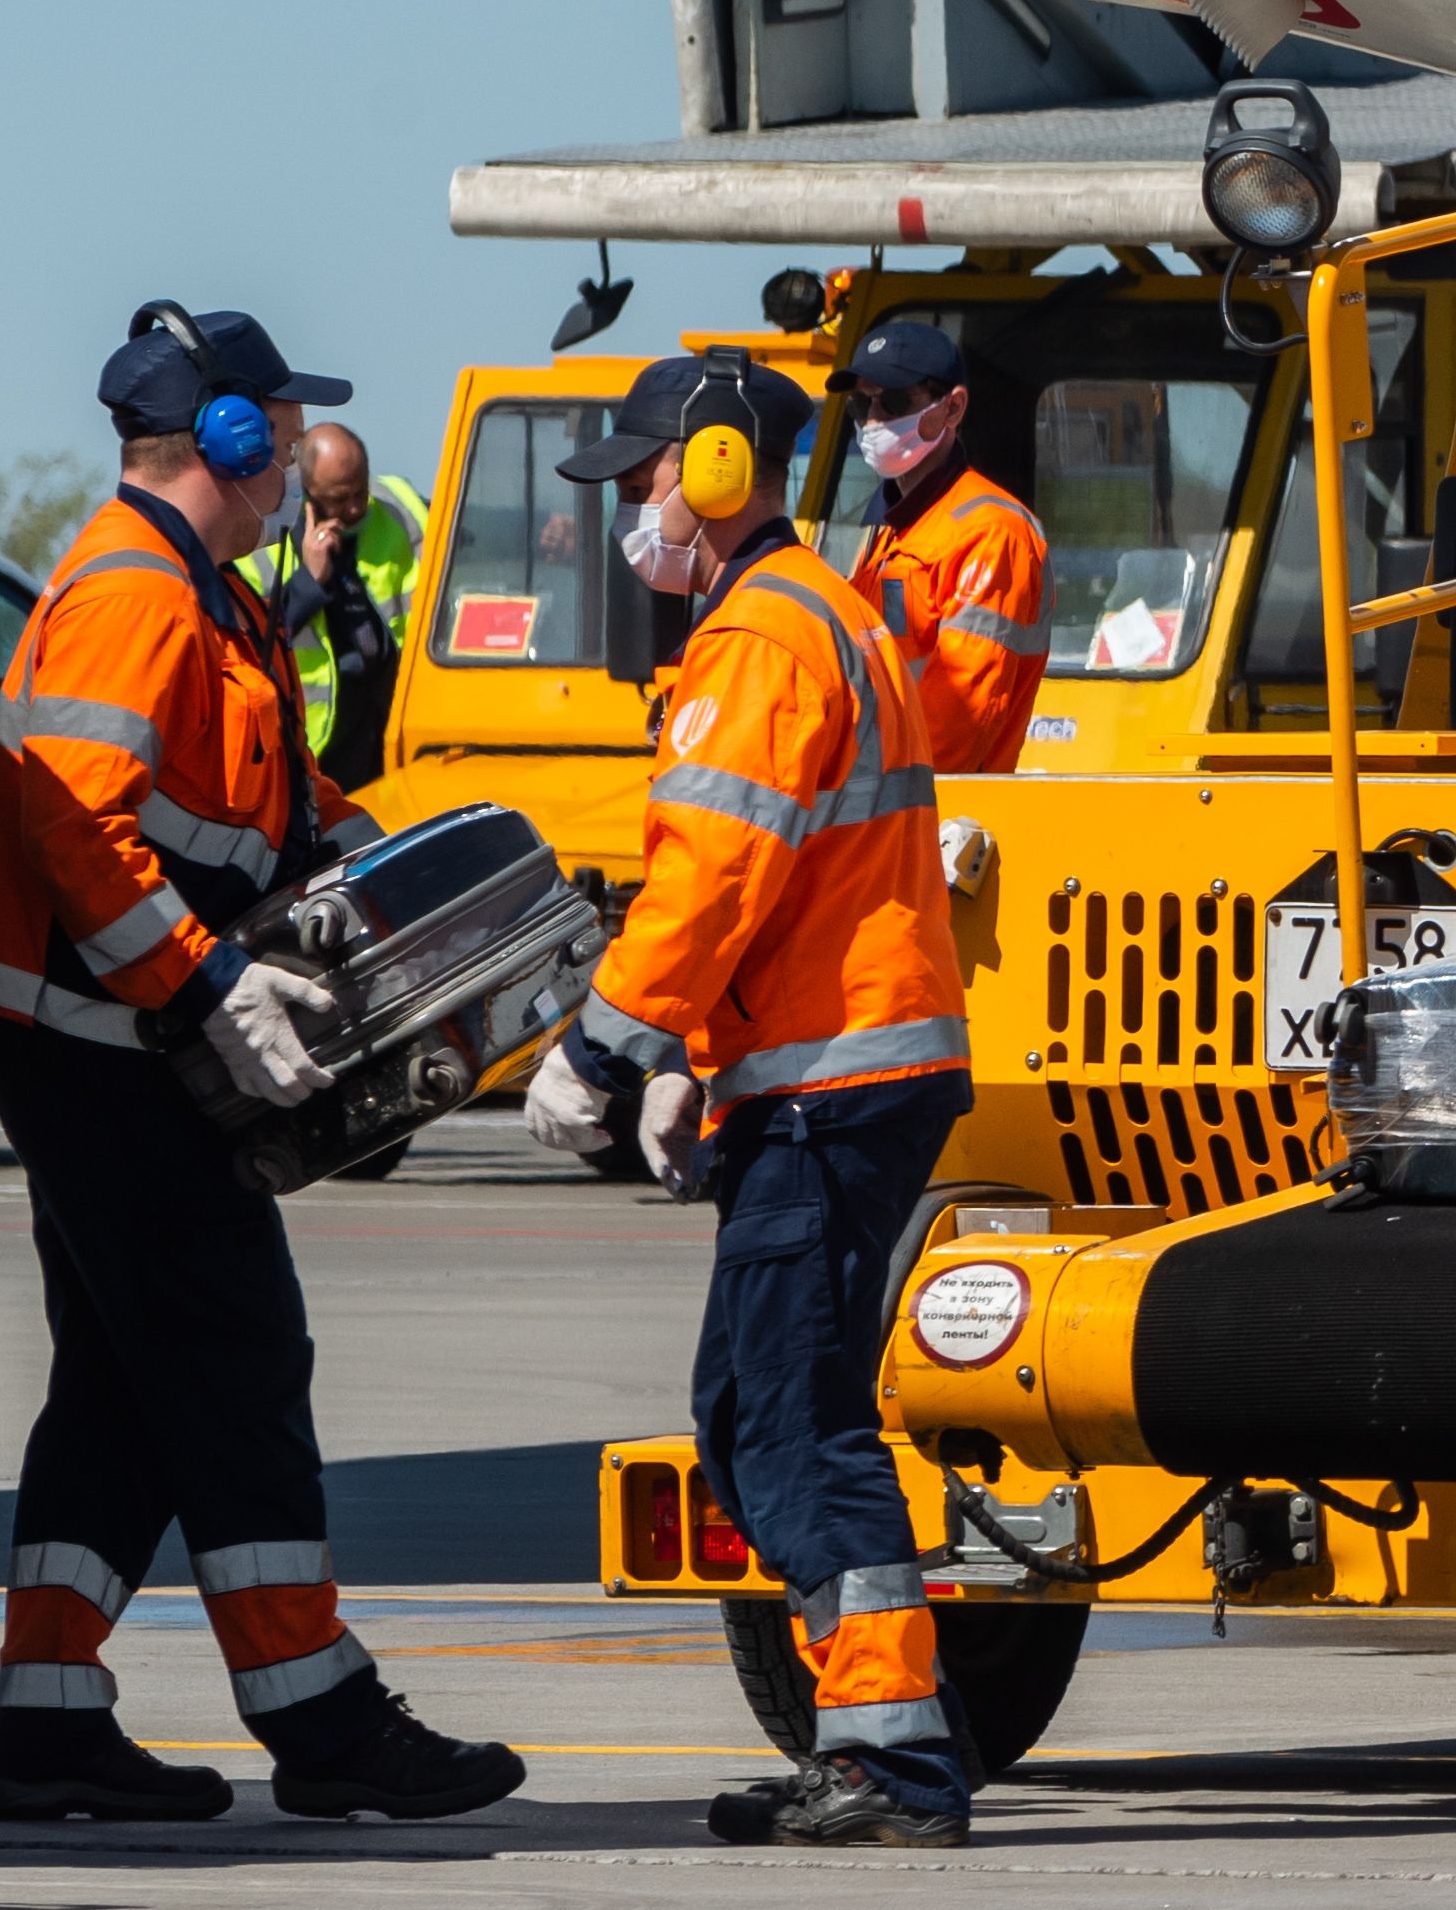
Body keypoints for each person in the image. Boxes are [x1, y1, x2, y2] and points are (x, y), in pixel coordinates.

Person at [0, 305, 526, 1826]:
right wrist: (206, 982)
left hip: (111, 1051)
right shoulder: (137, 590)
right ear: (223, 438)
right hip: (105, 1055)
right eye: (280, 430)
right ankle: (323, 1713)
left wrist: (389, 858)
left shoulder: (198, 593)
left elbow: (260, 799)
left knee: (129, 1392)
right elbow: (74, 823)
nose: (296, 459)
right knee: (235, 1360)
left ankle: (47, 1721)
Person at [516, 349, 976, 1849]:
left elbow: (712, 873)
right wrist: (698, 1058)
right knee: (755, 1405)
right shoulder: (800, 618)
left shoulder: (762, 638)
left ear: (714, 472)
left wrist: (607, 1042)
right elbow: (775, 888)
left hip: (835, 1085)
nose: (634, 512)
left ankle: (893, 1759)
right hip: (823, 1073)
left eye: (645, 477)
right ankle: (878, 1739)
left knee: (790, 1416)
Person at [833, 319, 1049, 891]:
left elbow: (958, 715)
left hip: (934, 831)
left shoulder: (991, 532)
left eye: (897, 401)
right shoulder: (890, 532)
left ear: (952, 409)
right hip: (891, 821)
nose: (874, 422)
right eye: (862, 405)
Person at [252, 422, 425, 789]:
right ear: (305, 491)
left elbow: (472, 537)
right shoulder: (263, 543)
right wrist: (308, 581)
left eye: (360, 490)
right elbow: (254, 641)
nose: (354, 507)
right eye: (338, 498)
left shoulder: (397, 507)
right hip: (320, 749)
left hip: (397, 722)